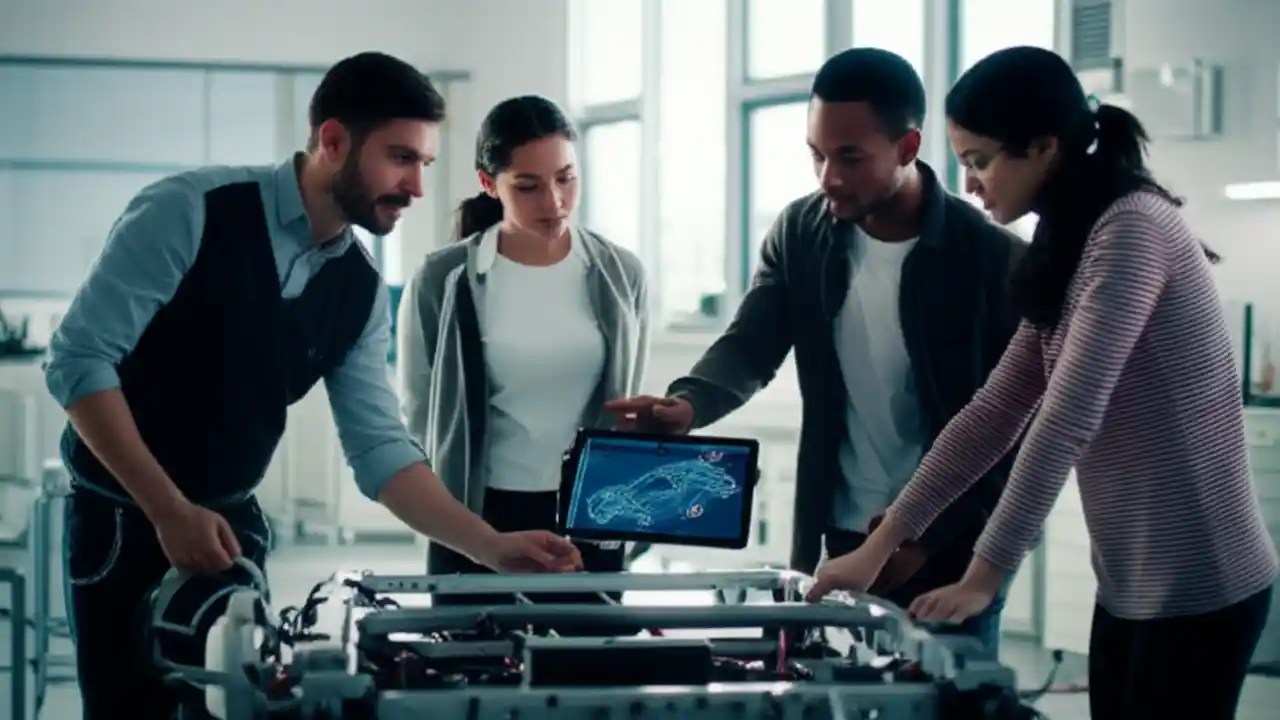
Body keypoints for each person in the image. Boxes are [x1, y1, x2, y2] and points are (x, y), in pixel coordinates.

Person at [44, 52, 582, 720]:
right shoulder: (189, 211)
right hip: (123, 521)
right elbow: (78, 360)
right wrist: (166, 508)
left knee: (235, 707)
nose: (417, 186)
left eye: (426, 164)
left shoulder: (358, 286)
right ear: (332, 142)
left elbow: (381, 450)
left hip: (228, 526)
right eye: (400, 158)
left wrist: (489, 545)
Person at [804, 46, 1278, 720]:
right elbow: (996, 411)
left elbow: (1065, 418)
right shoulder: (1073, 239)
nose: (967, 182)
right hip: (1130, 583)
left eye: (979, 160)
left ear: (1043, 148)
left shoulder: (1132, 231)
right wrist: (877, 550)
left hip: (1203, 584)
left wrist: (983, 577)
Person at [604, 48, 1024, 657]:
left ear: (908, 148)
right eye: (816, 154)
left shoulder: (990, 258)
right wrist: (687, 406)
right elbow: (752, 343)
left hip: (951, 544)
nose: (827, 175)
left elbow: (1008, 433)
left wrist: (923, 543)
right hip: (837, 533)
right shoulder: (801, 232)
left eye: (849, 157)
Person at [396, 95, 649, 607]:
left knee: (585, 673)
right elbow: (420, 416)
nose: (554, 202)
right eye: (528, 186)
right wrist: (460, 525)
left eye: (566, 178)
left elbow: (624, 401)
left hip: (590, 510)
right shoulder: (442, 279)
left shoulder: (622, 273)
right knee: (474, 671)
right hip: (475, 514)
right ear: (489, 184)